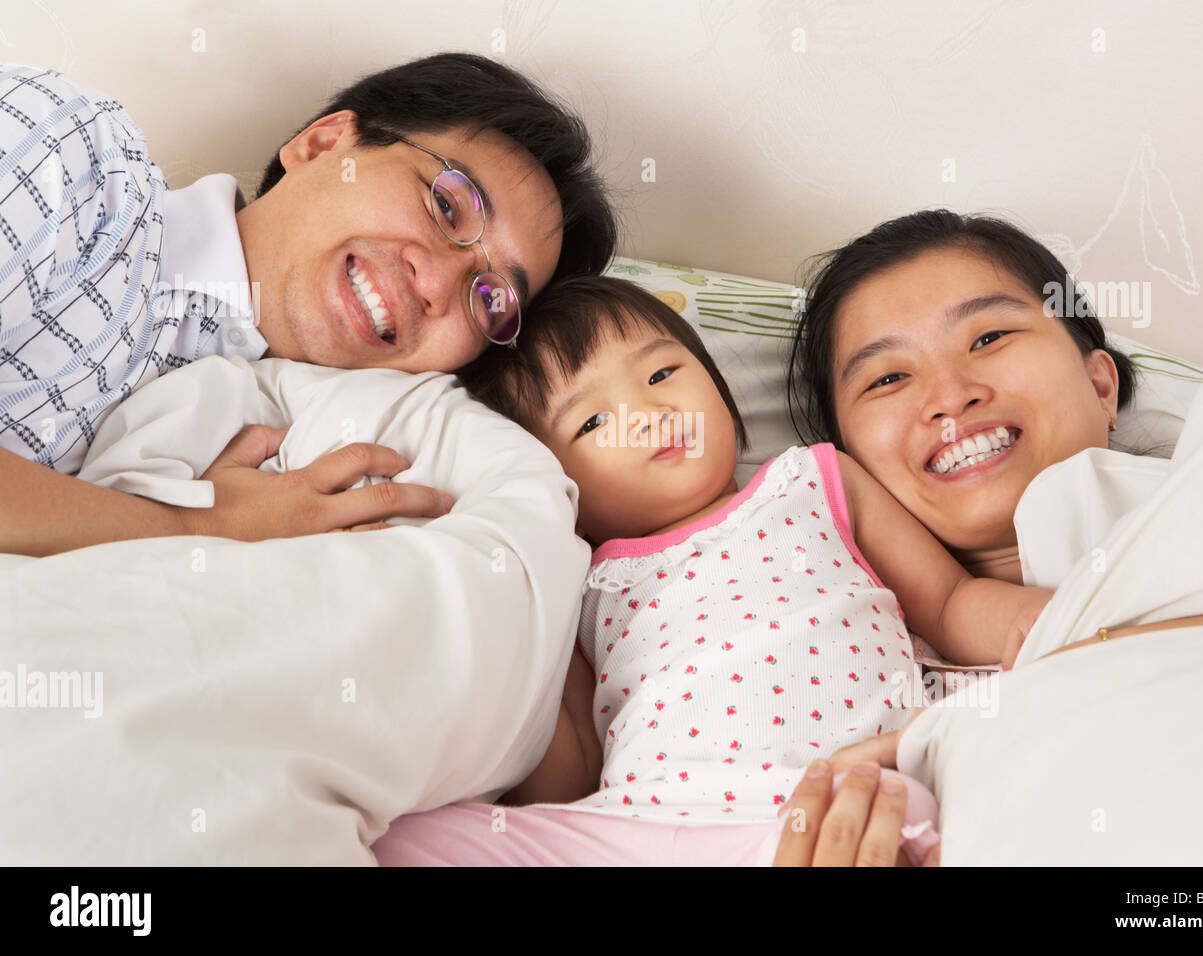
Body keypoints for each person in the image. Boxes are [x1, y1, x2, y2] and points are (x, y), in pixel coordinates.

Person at [370, 274, 1054, 865]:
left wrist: (1042, 622)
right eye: (592, 423)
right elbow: (566, 775)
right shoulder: (579, 579)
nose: (649, 415)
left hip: (830, 802)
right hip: (641, 826)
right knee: (407, 840)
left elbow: (951, 601)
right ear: (556, 487)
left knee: (916, 805)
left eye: (663, 374)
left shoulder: (812, 480)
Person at [780, 208, 1203, 855]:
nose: (950, 395)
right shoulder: (853, 670)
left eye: (989, 338)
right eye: (887, 378)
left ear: (1100, 383)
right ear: (850, 466)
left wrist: (1077, 655)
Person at [0, 54, 615, 555]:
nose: (437, 286)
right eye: (447, 204)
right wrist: (195, 529)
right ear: (322, 145)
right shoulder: (74, 156)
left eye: (490, 299)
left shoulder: (325, 473)